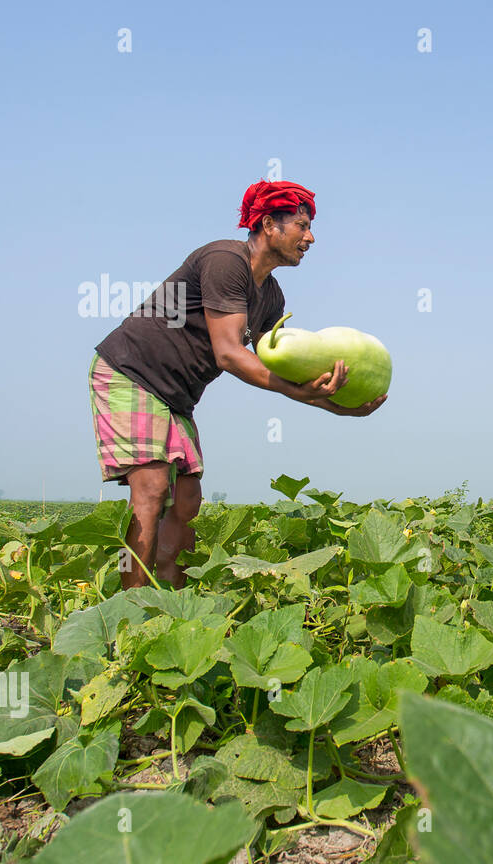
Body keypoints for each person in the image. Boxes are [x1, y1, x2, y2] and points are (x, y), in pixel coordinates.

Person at [89, 180, 387, 588]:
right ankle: (128, 606)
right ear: (268, 224)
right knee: (152, 490)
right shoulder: (225, 260)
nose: (310, 237)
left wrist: (336, 403)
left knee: (187, 503)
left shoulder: (271, 298)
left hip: (176, 398)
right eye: (301, 225)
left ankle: (171, 603)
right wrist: (300, 392)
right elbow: (230, 353)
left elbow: (280, 372)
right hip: (131, 372)